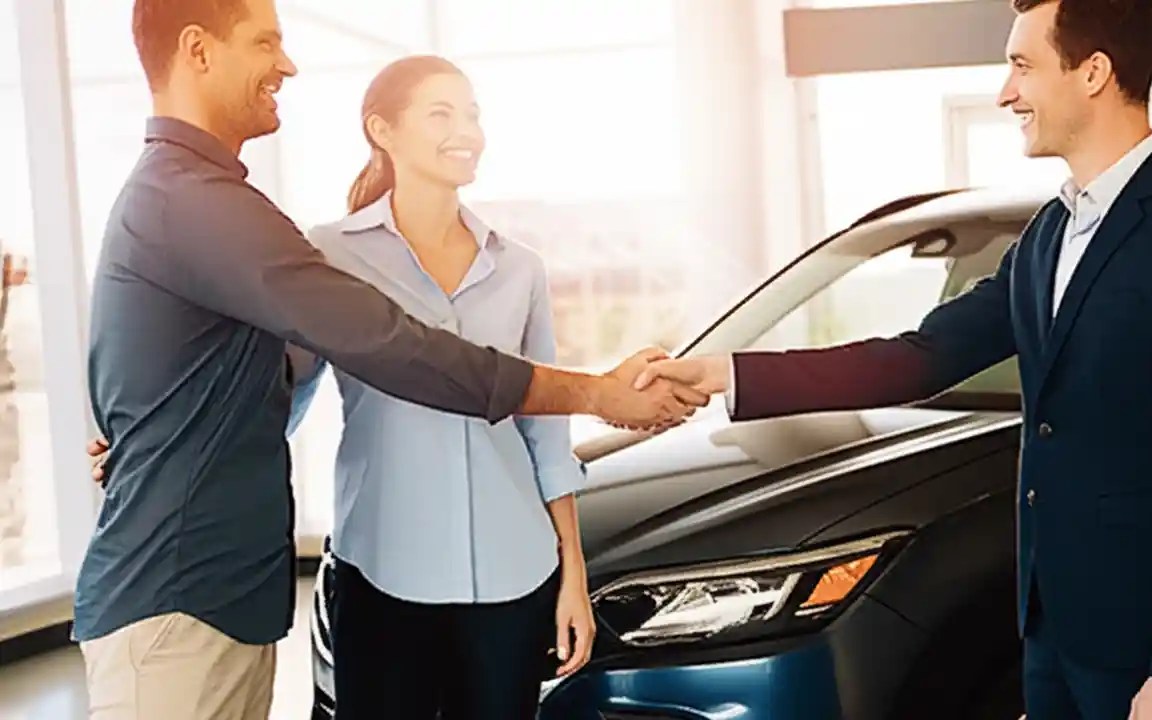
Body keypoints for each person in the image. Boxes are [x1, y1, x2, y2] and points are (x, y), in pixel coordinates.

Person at [636, 1, 1152, 719]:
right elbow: (920, 358)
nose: (1006, 92)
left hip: (1151, 650)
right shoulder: (1048, 236)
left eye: (1022, 65)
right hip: (1052, 635)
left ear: (1093, 72)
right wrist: (727, 371)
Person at [77, 2, 703, 719]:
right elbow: (388, 349)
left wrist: (156, 434)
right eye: (265, 43)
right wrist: (597, 394)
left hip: (238, 599)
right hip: (203, 596)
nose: (287, 64)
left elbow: (252, 378)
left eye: (471, 113)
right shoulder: (207, 207)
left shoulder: (215, 204)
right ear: (198, 52)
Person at [286, 55, 597, 718]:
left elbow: (546, 430)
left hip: (517, 576)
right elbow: (283, 391)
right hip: (382, 571)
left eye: (473, 113)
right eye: (442, 112)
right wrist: (163, 442)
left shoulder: (520, 270)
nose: (468, 130)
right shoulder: (331, 255)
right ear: (383, 130)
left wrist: (573, 573)